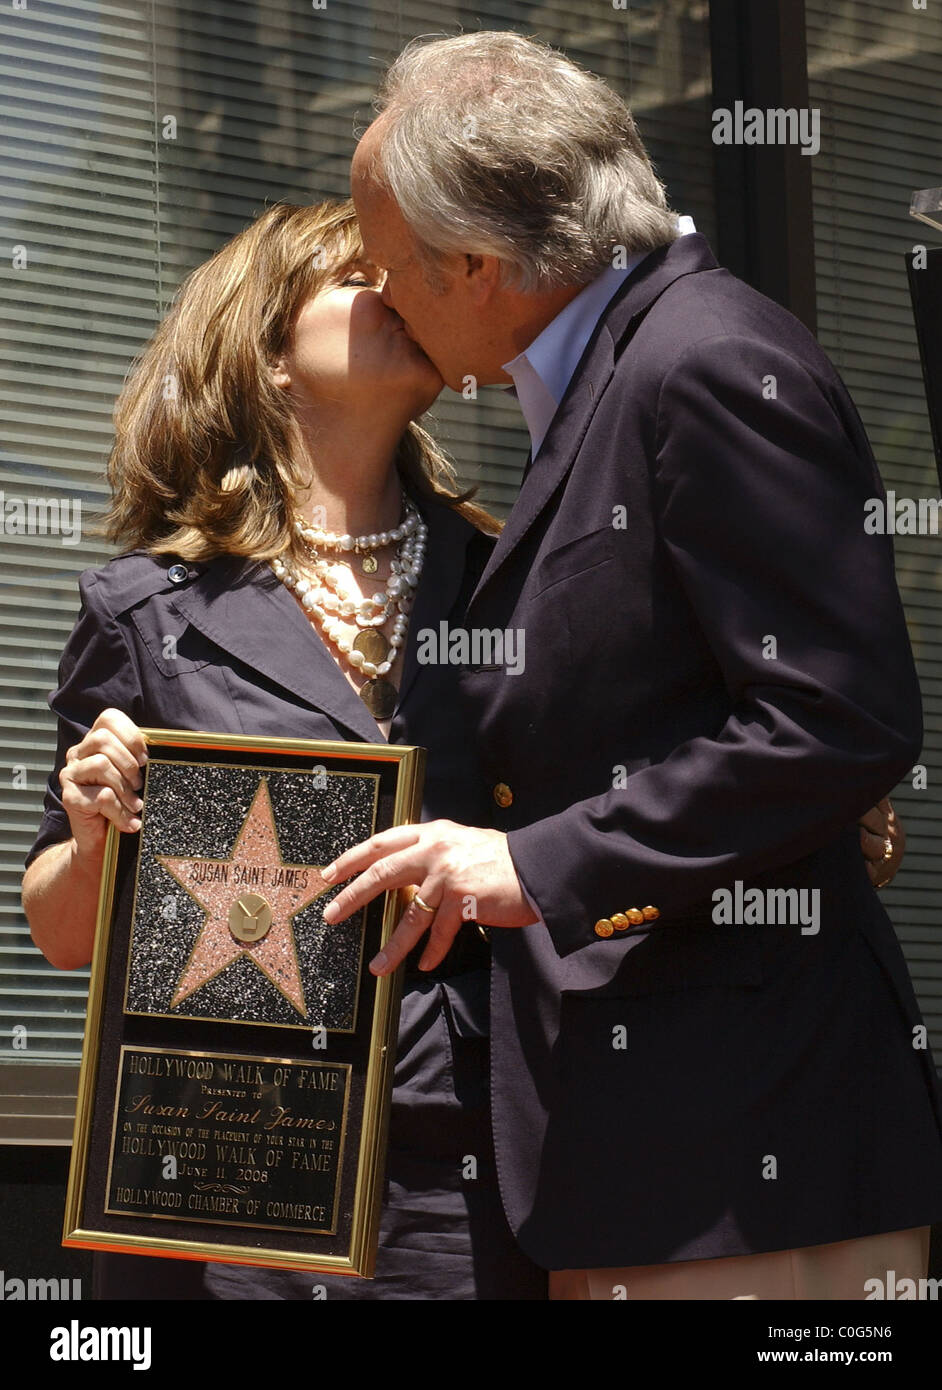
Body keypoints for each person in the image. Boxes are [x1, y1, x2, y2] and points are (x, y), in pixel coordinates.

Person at [322, 31, 942, 1299]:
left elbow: (839, 719)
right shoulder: (614, 378)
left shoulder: (701, 358)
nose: (378, 302)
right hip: (646, 1166)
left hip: (751, 1165)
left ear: (480, 266)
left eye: (388, 273)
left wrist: (530, 862)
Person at [20, 199, 545, 1300]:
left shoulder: (519, 574)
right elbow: (66, 933)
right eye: (365, 277)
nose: (407, 293)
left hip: (469, 1174)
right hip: (225, 1188)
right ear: (267, 353)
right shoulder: (145, 609)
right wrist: (92, 829)